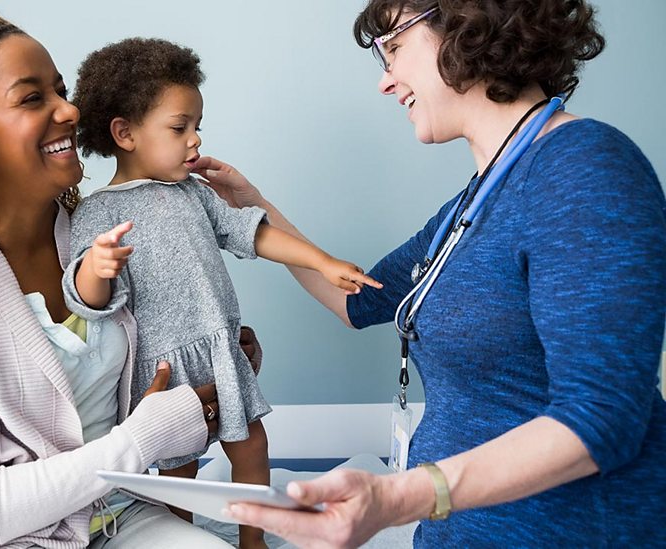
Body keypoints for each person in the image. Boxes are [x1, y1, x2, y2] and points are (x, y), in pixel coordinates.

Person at [192, 0, 666, 547]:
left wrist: (401, 497)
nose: (386, 81)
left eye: (394, 48)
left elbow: (604, 417)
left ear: (467, 23)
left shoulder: (584, 167)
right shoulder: (467, 209)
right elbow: (355, 301)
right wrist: (254, 205)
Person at [0, 6, 248, 548]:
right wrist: (141, 440)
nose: (71, 110)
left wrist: (218, 362)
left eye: (60, 90)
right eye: (32, 98)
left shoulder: (93, 236)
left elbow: (154, 364)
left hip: (115, 515)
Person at [63, 37, 382, 549]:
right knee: (178, 468)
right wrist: (96, 270)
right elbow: (85, 299)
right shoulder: (98, 212)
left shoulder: (193, 193)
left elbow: (251, 232)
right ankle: (179, 536)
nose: (194, 140)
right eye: (179, 128)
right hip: (163, 365)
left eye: (197, 127)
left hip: (218, 349)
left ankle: (253, 540)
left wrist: (322, 261)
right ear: (125, 133)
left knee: (251, 446)